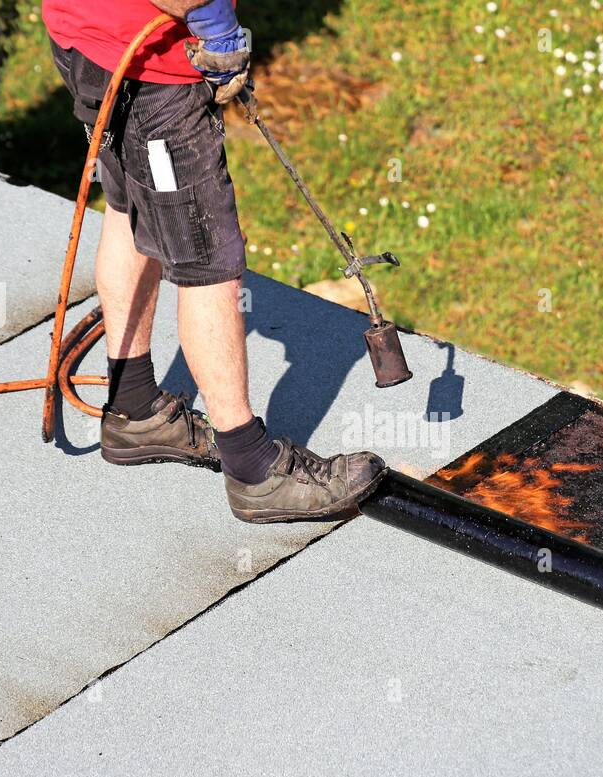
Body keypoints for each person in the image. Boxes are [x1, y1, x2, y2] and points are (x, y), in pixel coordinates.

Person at [42, 0, 386, 522]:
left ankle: (134, 409)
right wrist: (218, 29)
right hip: (152, 76)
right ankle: (254, 470)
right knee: (208, 262)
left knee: (128, 208)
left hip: (84, 40)